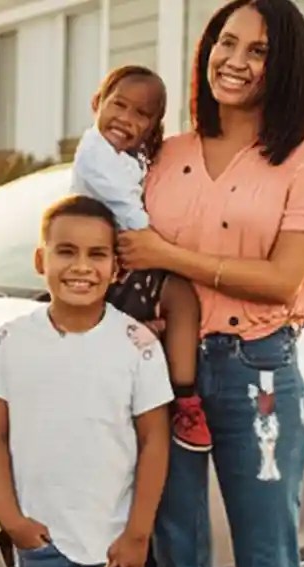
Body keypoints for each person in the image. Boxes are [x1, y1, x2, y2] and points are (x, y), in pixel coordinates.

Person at [113, 1, 304, 567]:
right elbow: (126, 251)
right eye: (226, 41)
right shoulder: (168, 152)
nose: (235, 59)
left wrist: (171, 256)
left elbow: (281, 279)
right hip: (163, 374)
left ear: (288, 65)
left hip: (258, 375)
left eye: (260, 49)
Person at [0, 195, 174, 567]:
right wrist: (12, 519)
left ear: (116, 267)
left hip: (114, 545)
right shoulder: (11, 342)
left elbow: (155, 440)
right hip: (43, 542)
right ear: (42, 260)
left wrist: (137, 533)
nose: (81, 267)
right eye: (66, 251)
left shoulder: (136, 346)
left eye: (97, 254)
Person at [70, 64, 212, 454]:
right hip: (105, 272)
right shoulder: (95, 155)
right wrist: (163, 246)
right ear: (97, 103)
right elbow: (126, 208)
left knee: (181, 296)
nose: (126, 119)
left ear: (153, 126)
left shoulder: (133, 157)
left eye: (141, 114)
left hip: (130, 267)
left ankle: (185, 400)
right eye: (119, 105)